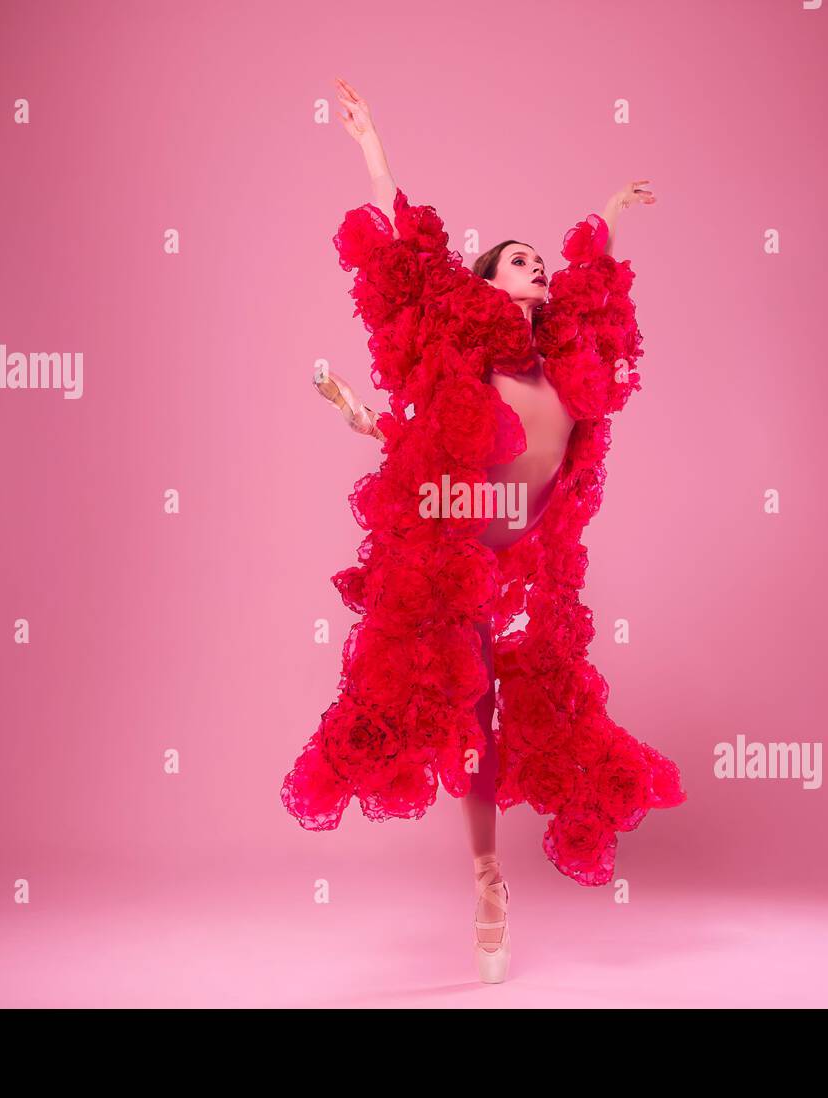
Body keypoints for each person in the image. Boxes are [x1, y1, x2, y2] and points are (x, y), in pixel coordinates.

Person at [285, 77, 686, 983]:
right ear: (487, 281)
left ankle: (492, 875)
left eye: (539, 261)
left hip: (525, 550)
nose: (535, 266)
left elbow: (593, 291)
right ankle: (488, 879)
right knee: (468, 708)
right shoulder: (471, 350)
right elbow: (412, 259)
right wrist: (370, 144)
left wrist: (612, 215)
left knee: (549, 695)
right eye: (515, 260)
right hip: (456, 541)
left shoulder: (567, 361)